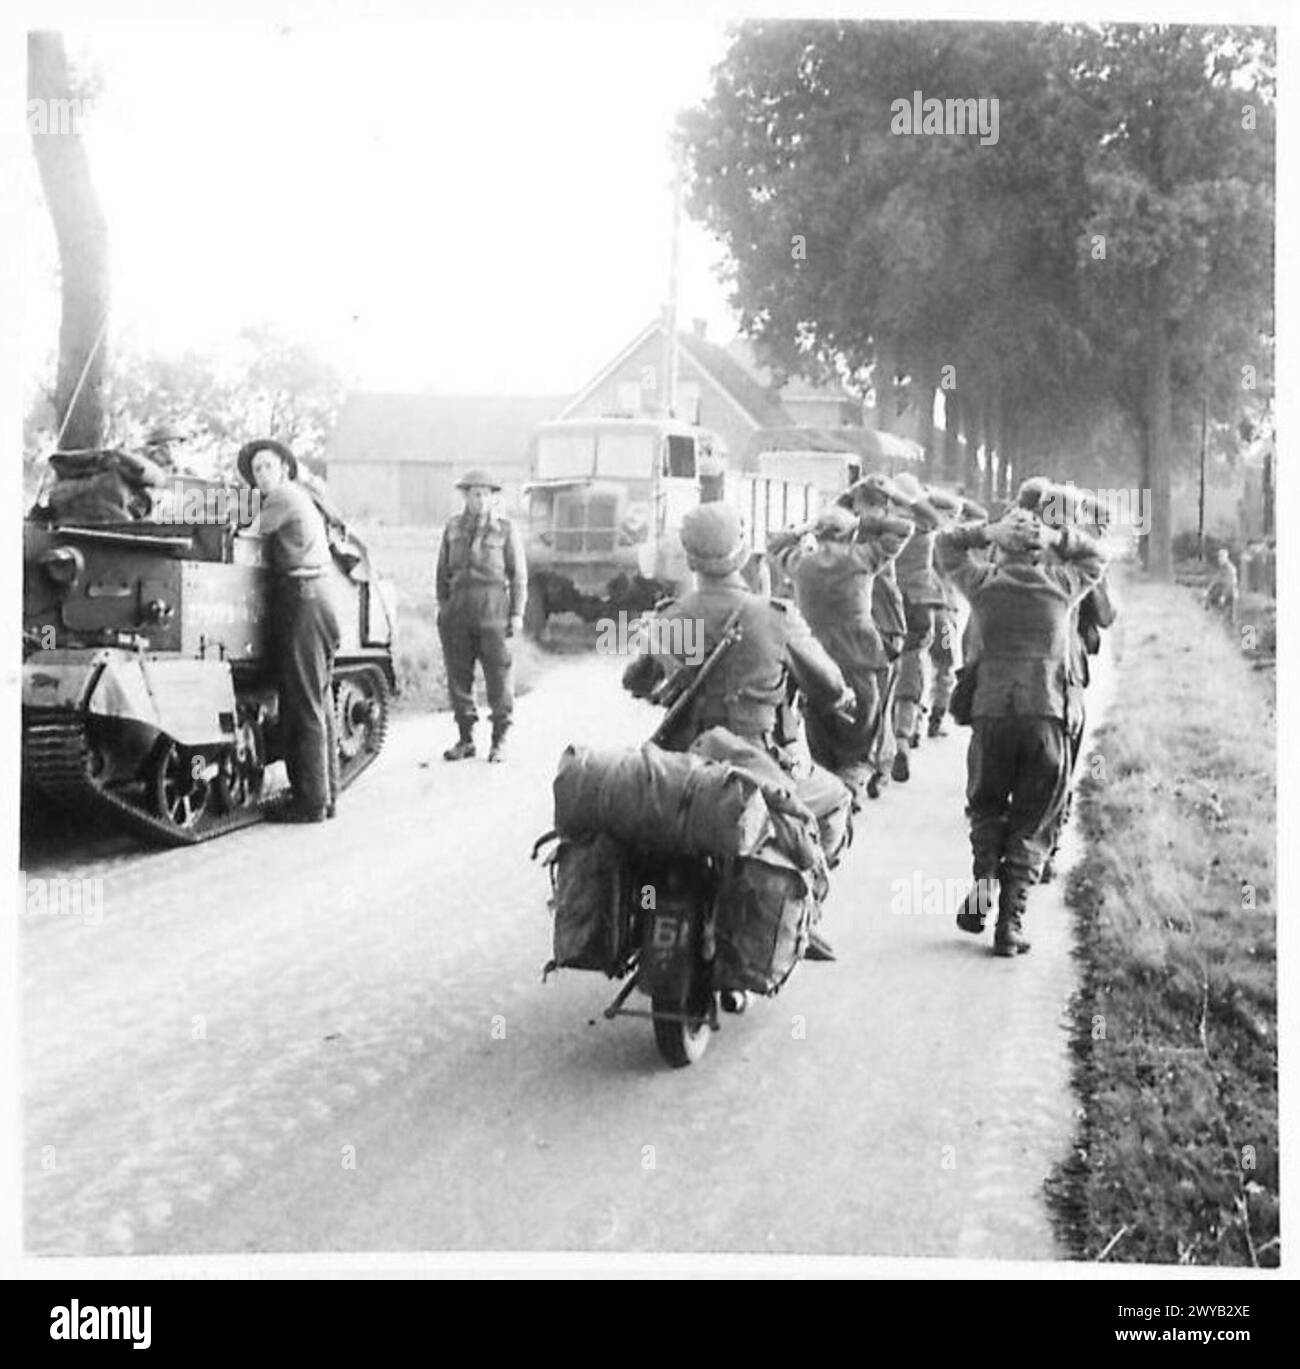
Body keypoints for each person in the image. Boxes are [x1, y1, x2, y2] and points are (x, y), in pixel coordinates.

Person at [622, 502, 854, 962]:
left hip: (686, 764)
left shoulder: (671, 618)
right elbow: (828, 684)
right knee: (837, 798)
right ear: (743, 551)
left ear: (689, 559)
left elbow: (636, 680)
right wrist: (841, 698)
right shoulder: (773, 616)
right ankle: (803, 910)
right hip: (758, 764)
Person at [936, 504, 1106, 956]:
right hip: (1045, 715)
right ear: (1038, 553)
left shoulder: (983, 586)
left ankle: (983, 886)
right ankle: (1010, 925)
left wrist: (988, 528)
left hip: (992, 713)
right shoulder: (1060, 586)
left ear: (999, 549)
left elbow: (945, 544)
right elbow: (1095, 557)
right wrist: (1056, 539)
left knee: (987, 804)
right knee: (1033, 820)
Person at [769, 498, 911, 790]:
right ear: (850, 534)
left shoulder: (800, 564)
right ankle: (853, 785)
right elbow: (903, 528)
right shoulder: (862, 558)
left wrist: (805, 529)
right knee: (860, 737)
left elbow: (774, 545)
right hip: (860, 658)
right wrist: (862, 522)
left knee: (822, 734)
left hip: (815, 661)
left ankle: (833, 792)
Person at [238, 438, 340, 823]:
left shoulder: (282, 498)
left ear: (283, 468)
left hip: (304, 599)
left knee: (302, 704)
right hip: (315, 598)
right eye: (256, 469)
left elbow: (246, 531)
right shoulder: (295, 496)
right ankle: (324, 797)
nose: (261, 474)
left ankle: (310, 802)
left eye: (267, 466)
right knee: (317, 700)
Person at [435, 468, 527, 763]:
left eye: (486, 494)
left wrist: (516, 614)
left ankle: (499, 740)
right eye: (475, 494)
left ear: (493, 497)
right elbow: (441, 574)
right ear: (466, 496)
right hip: (458, 611)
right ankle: (466, 739)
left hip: (493, 609)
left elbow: (519, 577)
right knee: (459, 677)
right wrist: (445, 608)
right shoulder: (452, 528)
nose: (481, 500)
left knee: (498, 676)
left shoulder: (505, 529)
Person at [886, 471, 944, 782]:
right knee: (912, 665)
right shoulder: (922, 528)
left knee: (883, 670)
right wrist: (915, 498)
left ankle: (883, 743)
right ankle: (904, 734)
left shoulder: (886, 528)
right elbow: (941, 517)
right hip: (920, 602)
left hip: (887, 605)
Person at [1203, 547, 1239, 628]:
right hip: (1223, 592)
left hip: (1231, 594)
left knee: (1232, 618)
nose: (1220, 559)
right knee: (1211, 602)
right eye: (1219, 557)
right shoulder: (1221, 568)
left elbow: (1230, 584)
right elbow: (1215, 579)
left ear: (1226, 558)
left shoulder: (1230, 569)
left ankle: (1233, 633)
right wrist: (1208, 590)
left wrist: (1224, 596)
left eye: (1222, 557)